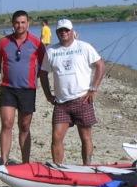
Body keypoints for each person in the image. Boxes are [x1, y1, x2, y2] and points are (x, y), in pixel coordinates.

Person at [39, 19, 105, 165]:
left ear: (72, 31)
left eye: (66, 30)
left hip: (82, 100)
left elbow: (100, 65)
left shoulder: (84, 47)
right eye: (61, 31)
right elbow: (43, 73)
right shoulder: (51, 51)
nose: (64, 33)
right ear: (56, 33)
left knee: (86, 137)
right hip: (61, 103)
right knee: (56, 138)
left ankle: (87, 166)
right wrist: (48, 95)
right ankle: (58, 167)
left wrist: (93, 88)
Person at [0, 9, 46, 166]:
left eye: (23, 22)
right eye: (17, 22)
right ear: (12, 24)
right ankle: (4, 161)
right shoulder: (3, 42)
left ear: (28, 23)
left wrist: (31, 76)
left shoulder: (37, 43)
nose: (20, 25)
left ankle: (25, 163)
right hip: (8, 88)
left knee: (24, 126)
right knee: (7, 123)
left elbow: (43, 66)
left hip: (28, 89)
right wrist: (7, 73)